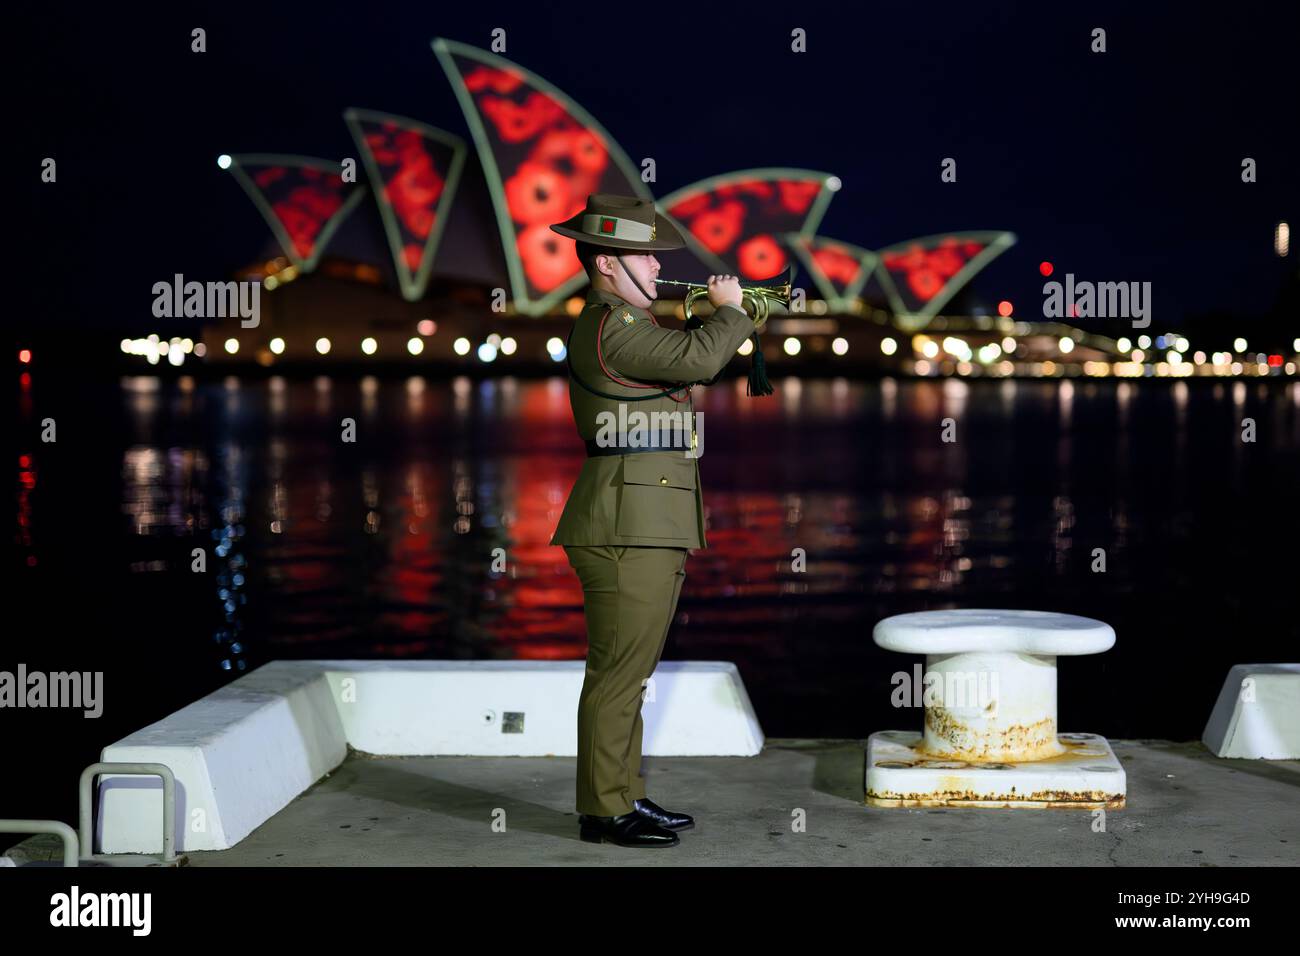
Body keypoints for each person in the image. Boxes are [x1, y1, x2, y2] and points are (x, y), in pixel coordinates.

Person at [548, 193, 762, 847]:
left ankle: (622, 795)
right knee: (617, 673)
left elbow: (685, 366)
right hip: (625, 523)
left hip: (642, 518)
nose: (657, 267)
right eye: (644, 255)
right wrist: (732, 312)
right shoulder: (614, 325)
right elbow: (697, 359)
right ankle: (602, 812)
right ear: (609, 263)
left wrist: (726, 326)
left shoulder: (624, 326)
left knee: (630, 673)